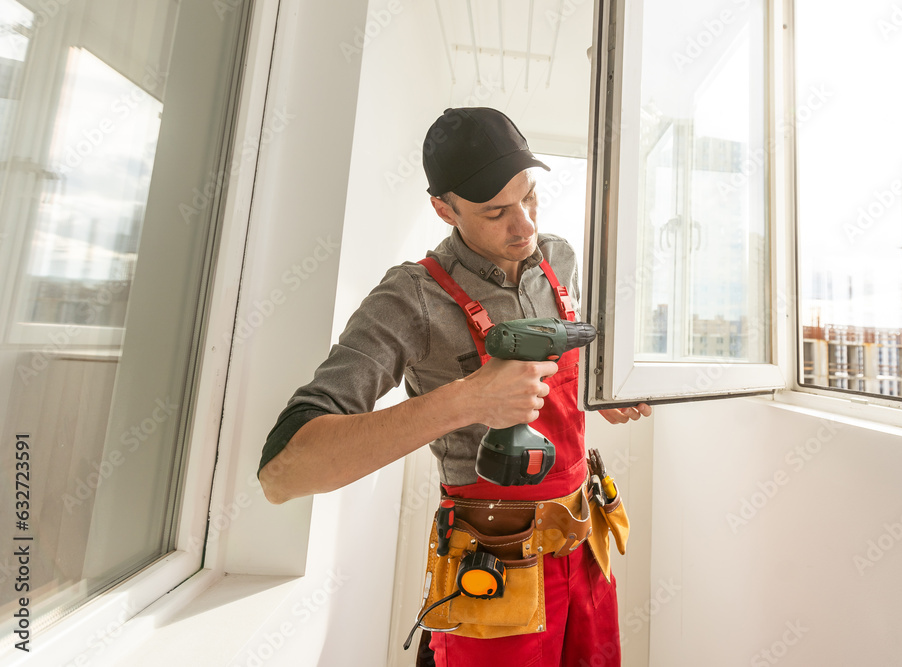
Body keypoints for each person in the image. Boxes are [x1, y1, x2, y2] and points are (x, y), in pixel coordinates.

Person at [257, 106, 651, 666]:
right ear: (444, 209)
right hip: (496, 566)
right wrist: (468, 398)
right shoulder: (412, 298)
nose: (525, 227)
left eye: (530, 197)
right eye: (496, 212)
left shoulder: (559, 259)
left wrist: (601, 386)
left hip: (583, 542)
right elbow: (283, 474)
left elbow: (567, 354)